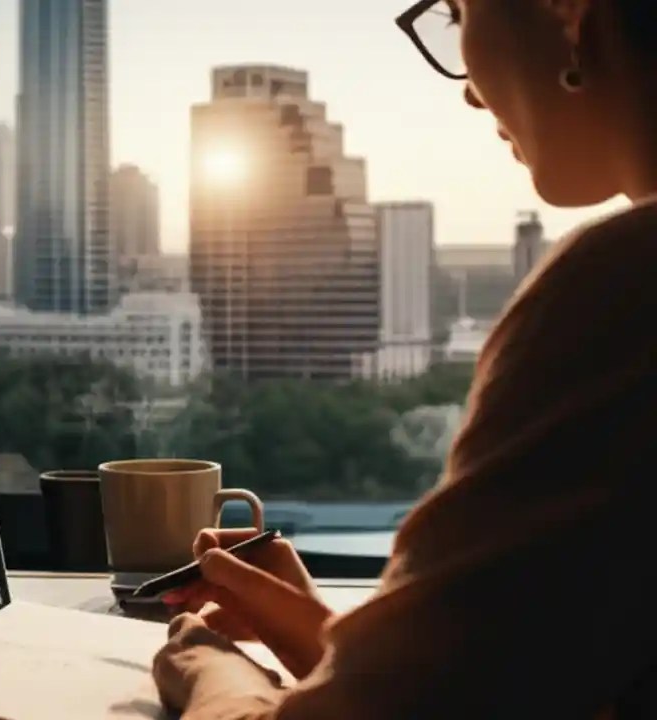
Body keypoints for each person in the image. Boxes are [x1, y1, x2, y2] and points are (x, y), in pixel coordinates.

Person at [152, 0, 657, 717]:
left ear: (567, 10)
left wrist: (208, 670)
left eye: (458, 12)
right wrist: (353, 647)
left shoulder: (622, 289)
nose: (470, 90)